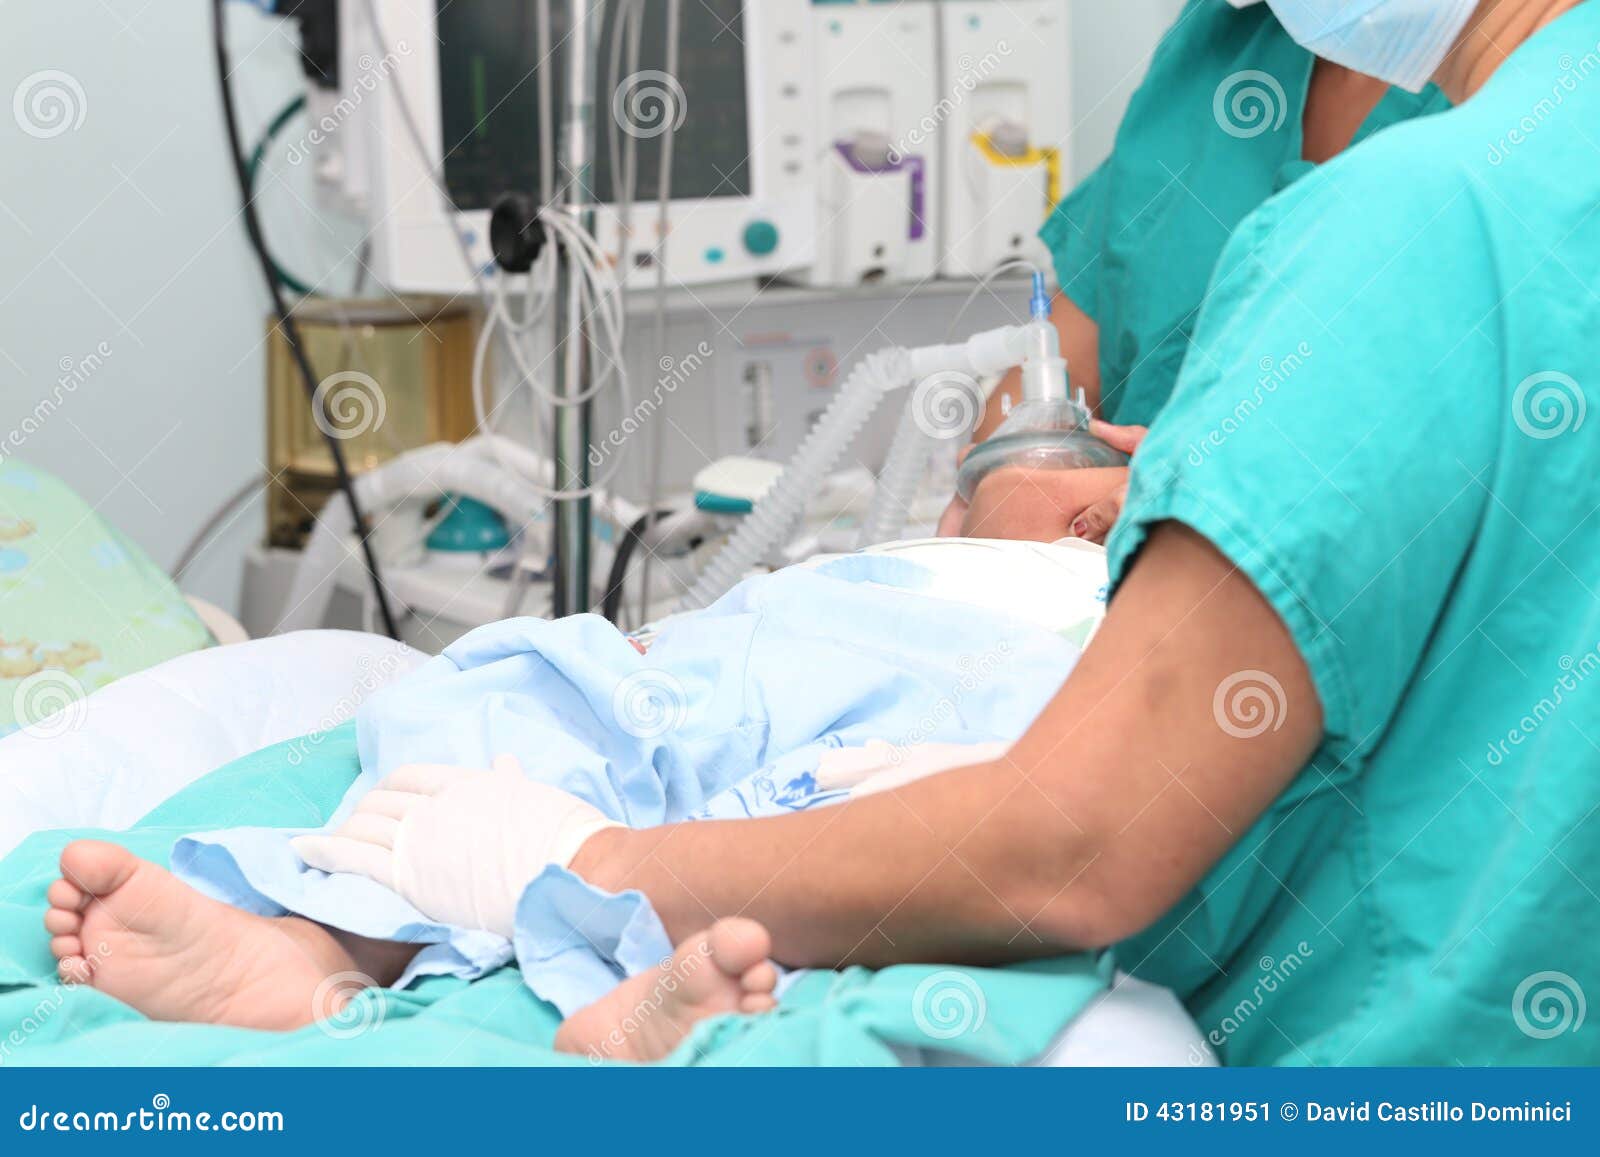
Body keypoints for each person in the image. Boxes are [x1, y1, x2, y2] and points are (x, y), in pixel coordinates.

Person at [43, 0, 1600, 1066]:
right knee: (523, 687)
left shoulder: (1423, 224)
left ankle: (532, 978)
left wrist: (582, 867)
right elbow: (1060, 385)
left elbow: (1072, 843)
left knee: (832, 845)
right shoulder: (1492, 164)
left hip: (1323, 1004)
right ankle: (333, 947)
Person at [942, 0, 1453, 543]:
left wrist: (1192, 493)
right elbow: (1071, 349)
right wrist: (996, 482)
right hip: (1119, 584)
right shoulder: (1222, 41)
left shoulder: (1513, 89)